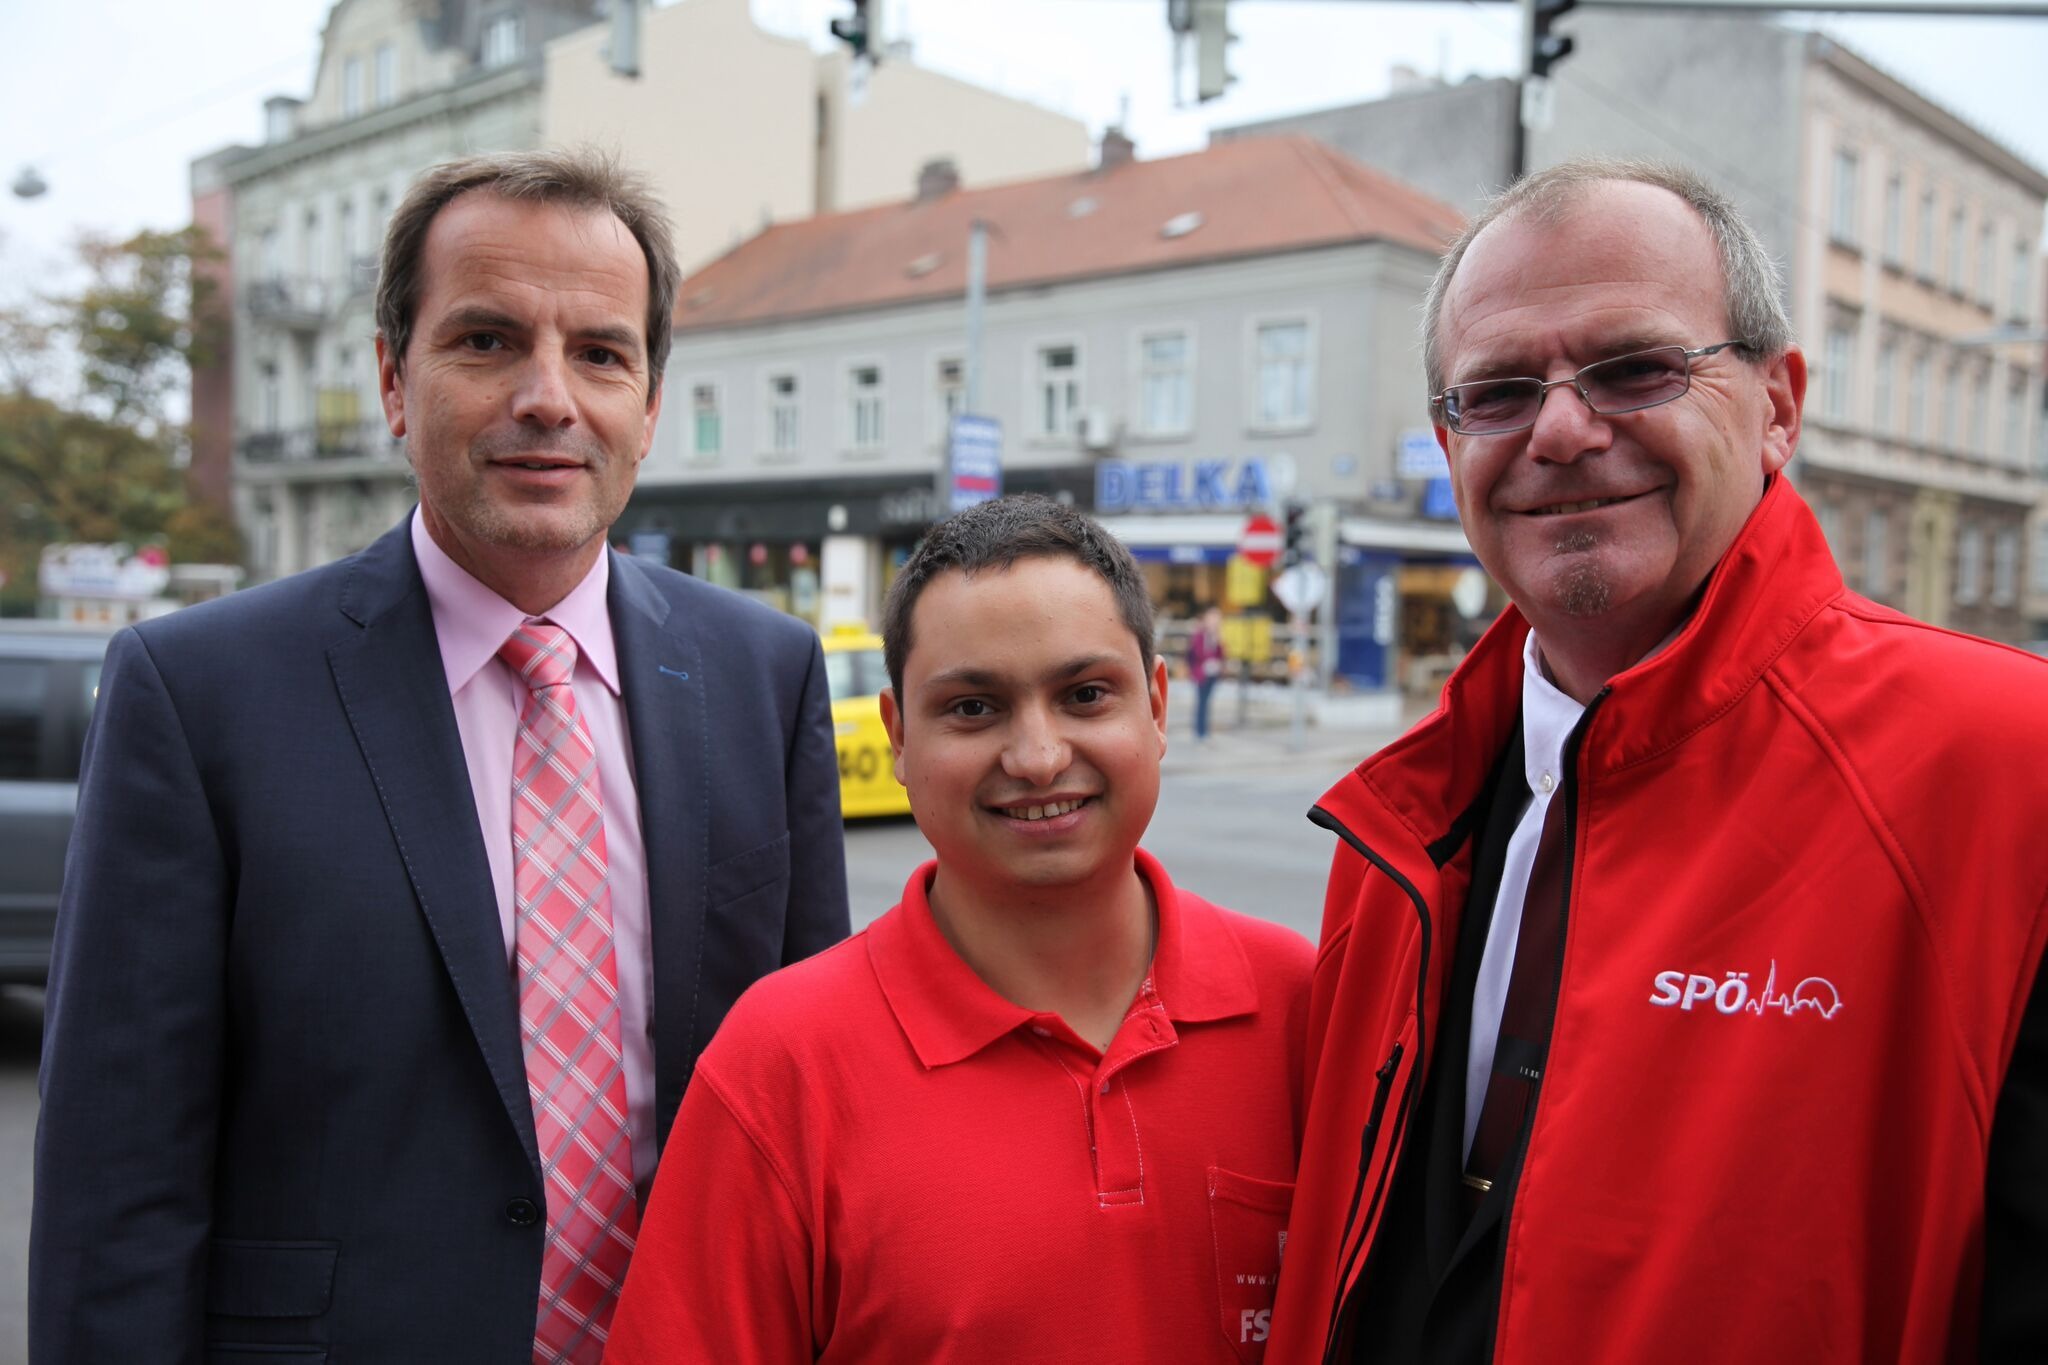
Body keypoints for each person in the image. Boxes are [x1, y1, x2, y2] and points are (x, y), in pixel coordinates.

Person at [30, 149, 850, 1364]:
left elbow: (813, 1103)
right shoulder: (199, 693)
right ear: (393, 380)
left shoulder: (762, 677)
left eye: (601, 353)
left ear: (651, 402)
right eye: (485, 340)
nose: (548, 397)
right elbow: (120, 1176)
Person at [1268, 158, 2047, 1364]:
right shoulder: (1393, 830)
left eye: (1633, 369)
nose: (1561, 431)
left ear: (1778, 406)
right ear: (1447, 441)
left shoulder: (2008, 769)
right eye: (1498, 392)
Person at [605, 495, 1315, 1364]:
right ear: (898, 736)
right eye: (974, 708)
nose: (1038, 755)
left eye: (1086, 694)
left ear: (1158, 706)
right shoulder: (781, 1063)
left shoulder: (1305, 1009)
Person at [1189, 604, 1226, 741]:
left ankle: (1204, 730)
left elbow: (1221, 654)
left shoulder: (1217, 636)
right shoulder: (1199, 634)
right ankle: (1199, 731)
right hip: (1201, 673)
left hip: (1213, 674)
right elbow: (1197, 653)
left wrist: (1218, 640)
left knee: (1207, 702)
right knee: (1201, 702)